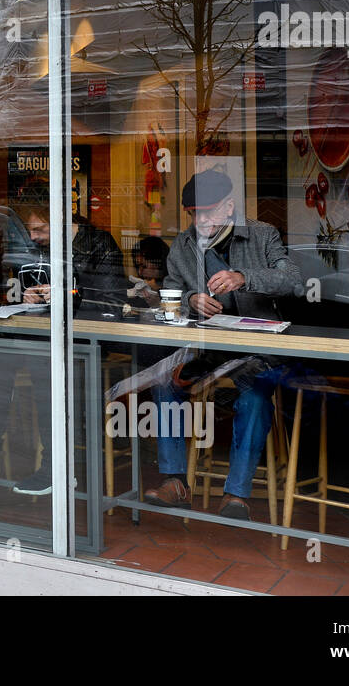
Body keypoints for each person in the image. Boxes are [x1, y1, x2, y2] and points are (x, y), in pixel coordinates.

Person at [143, 168, 303, 520]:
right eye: (193, 215)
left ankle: (236, 495)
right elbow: (168, 293)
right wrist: (190, 300)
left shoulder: (263, 234)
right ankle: (175, 481)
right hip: (210, 352)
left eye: (208, 213)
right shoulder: (183, 246)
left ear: (229, 206)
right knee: (165, 384)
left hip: (258, 353)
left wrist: (244, 278)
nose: (200, 222)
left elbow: (294, 281)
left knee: (254, 398)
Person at [0, 185, 126, 495]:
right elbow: (27, 287)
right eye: (31, 230)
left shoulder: (98, 243)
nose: (35, 236)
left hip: (83, 340)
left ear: (62, 217)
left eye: (40, 228)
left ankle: (57, 467)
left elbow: (112, 302)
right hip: (41, 334)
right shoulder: (38, 248)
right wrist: (30, 295)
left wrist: (70, 294)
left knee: (44, 370)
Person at [127, 235, 170, 308]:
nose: (140, 272)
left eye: (144, 266)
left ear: (158, 263)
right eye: (137, 267)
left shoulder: (174, 287)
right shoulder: (137, 289)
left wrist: (158, 304)